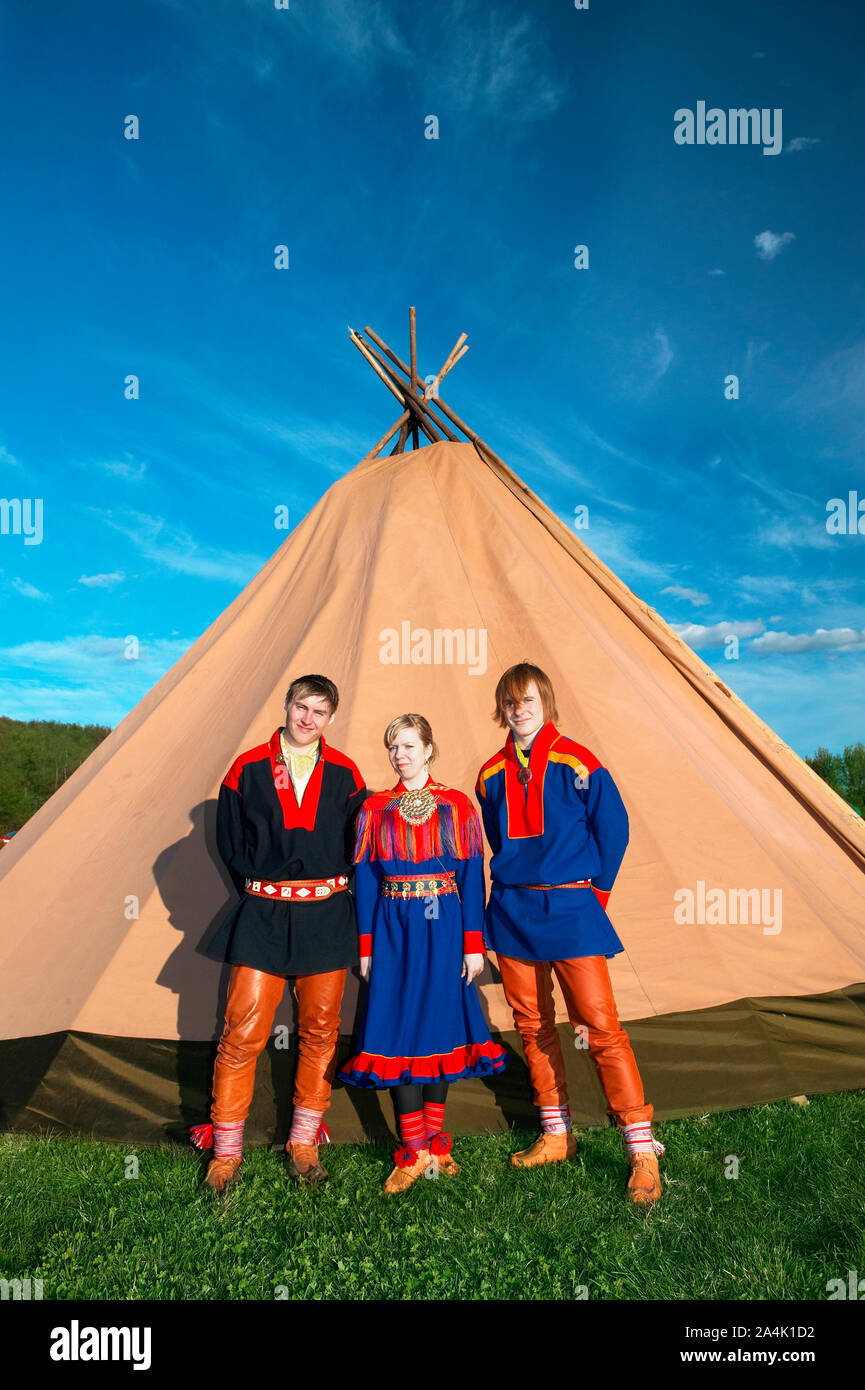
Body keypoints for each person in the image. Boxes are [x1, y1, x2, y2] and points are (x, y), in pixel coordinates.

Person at [475, 661, 664, 1204]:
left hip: (573, 910)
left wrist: (592, 897)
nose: (520, 710)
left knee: (601, 1027)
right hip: (513, 913)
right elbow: (498, 842)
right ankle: (557, 1133)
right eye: (511, 702)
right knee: (533, 1027)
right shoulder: (489, 774)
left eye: (529, 700)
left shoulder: (578, 761)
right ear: (502, 708)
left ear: (546, 702)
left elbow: (615, 829)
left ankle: (640, 1147)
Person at [192, 674, 367, 1190]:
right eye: (300, 706)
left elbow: (360, 843)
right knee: (240, 1033)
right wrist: (262, 884)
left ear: (330, 718)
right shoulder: (245, 768)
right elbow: (229, 842)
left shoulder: (346, 772)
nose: (307, 718)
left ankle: (305, 1144)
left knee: (320, 1032)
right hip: (264, 914)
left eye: (318, 711)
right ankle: (225, 1153)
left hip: (327, 915)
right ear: (286, 705)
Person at [339, 713, 507, 1193]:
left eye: (410, 746)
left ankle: (437, 1145)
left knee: (440, 1026)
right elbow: (367, 881)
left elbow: (473, 877)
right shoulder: (374, 808)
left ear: (429, 750)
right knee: (399, 1031)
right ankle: (412, 1151)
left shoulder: (457, 804)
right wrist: (367, 947)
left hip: (446, 924)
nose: (401, 755)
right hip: (394, 927)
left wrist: (473, 944)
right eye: (394, 747)